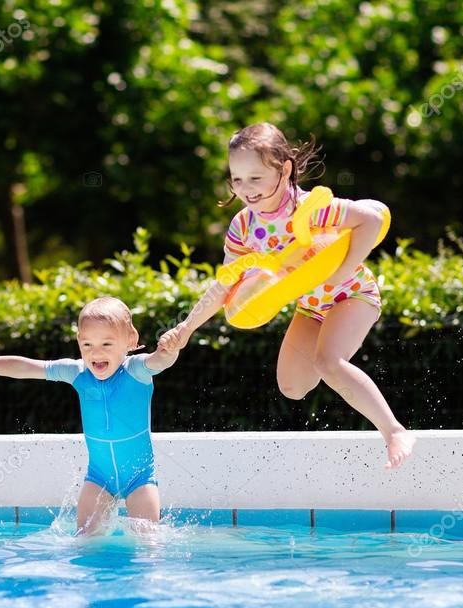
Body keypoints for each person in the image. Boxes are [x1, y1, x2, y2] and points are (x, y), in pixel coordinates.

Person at [160, 122, 415, 469]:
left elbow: (371, 219)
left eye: (255, 177)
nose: (245, 189)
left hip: (353, 294)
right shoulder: (243, 227)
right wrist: (186, 328)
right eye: (237, 179)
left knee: (328, 362)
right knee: (292, 387)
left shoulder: (310, 208)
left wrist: (342, 270)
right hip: (311, 307)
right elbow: (225, 284)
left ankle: (394, 431)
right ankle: (340, 378)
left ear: (285, 170)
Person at [0, 296, 181, 533]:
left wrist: (171, 349)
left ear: (130, 339)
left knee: (148, 543)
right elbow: (23, 367)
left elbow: (161, 360)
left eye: (106, 344)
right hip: (99, 479)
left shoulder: (136, 371)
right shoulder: (78, 373)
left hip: (139, 479)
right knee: (84, 541)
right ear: (79, 341)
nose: (96, 353)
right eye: (87, 345)